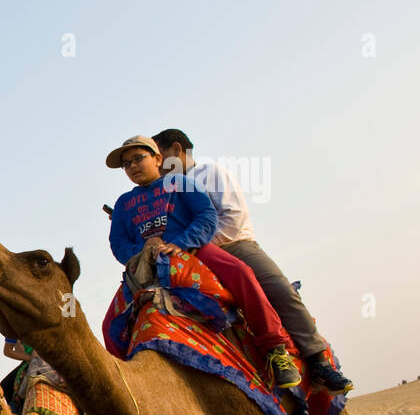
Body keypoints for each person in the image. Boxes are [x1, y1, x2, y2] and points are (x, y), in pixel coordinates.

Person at [151, 128, 352, 393]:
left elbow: (232, 217)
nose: (155, 163)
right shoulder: (166, 190)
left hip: (233, 245)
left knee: (278, 290)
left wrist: (194, 242)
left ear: (176, 150)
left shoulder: (209, 174)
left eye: (158, 155)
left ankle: (318, 362)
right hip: (186, 257)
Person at [104, 135, 302, 388]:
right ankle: (128, 385)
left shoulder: (179, 183)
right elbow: (118, 243)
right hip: (146, 266)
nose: (132, 166)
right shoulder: (123, 203)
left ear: (157, 158)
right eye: (126, 164)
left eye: (137, 158)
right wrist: (142, 251)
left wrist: (182, 242)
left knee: (241, 273)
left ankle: (275, 349)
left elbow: (206, 215)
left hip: (192, 252)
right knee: (109, 323)